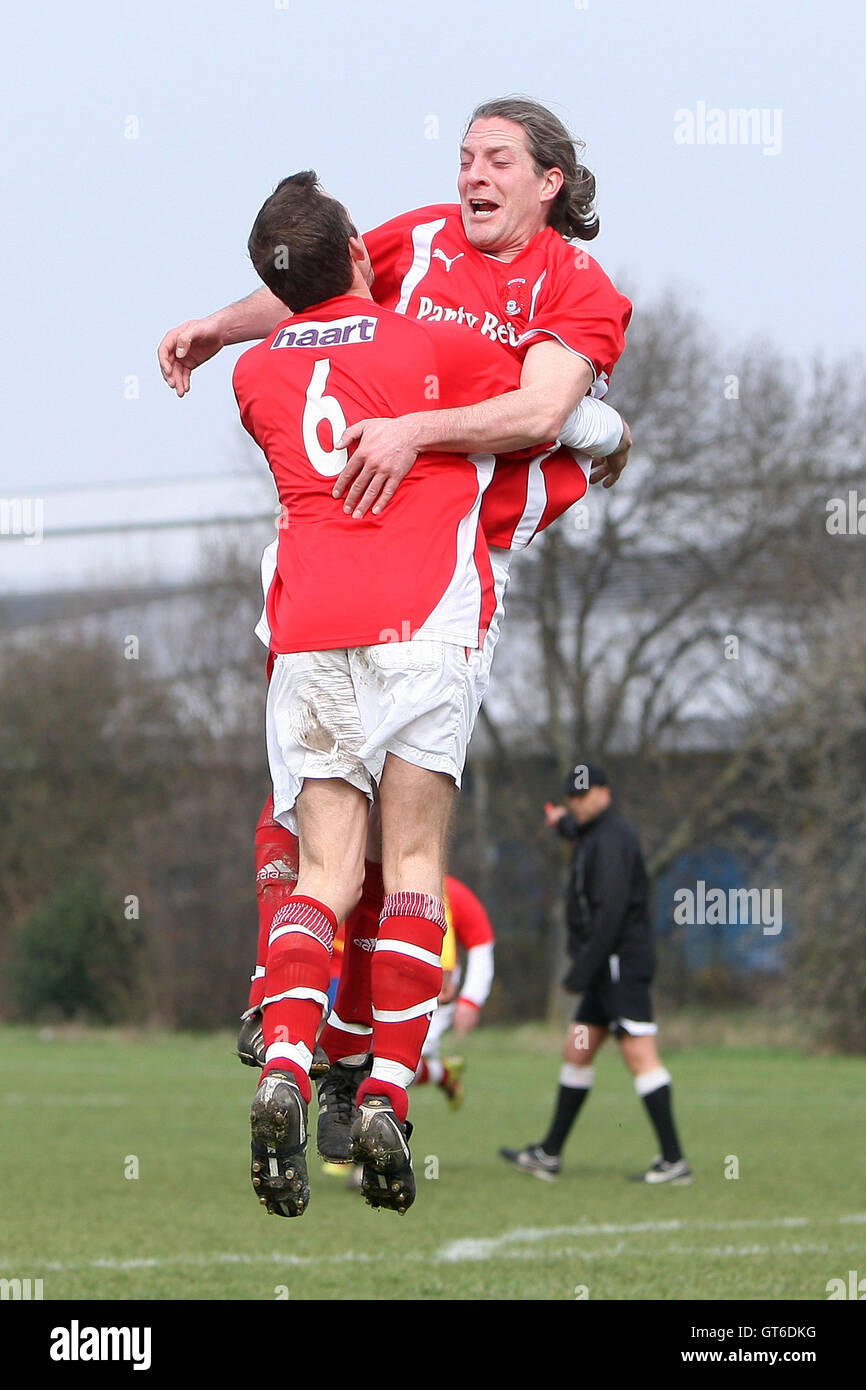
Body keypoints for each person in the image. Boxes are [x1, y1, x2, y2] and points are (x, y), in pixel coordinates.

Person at [500, 763, 692, 1184]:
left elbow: (611, 915)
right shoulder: (590, 831)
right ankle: (549, 1154)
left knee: (640, 1054)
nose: (577, 803)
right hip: (604, 971)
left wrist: (580, 972)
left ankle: (674, 1161)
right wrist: (560, 823)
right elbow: (576, 828)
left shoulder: (612, 841)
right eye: (572, 796)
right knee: (578, 1050)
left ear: (605, 793)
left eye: (584, 795)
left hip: (619, 966)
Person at [414, 874, 495, 1107]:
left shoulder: (454, 893)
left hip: (437, 1002)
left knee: (399, 1066)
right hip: (389, 994)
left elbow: (481, 943)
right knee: (380, 1065)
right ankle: (444, 1073)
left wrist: (471, 1000)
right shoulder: (380, 884)